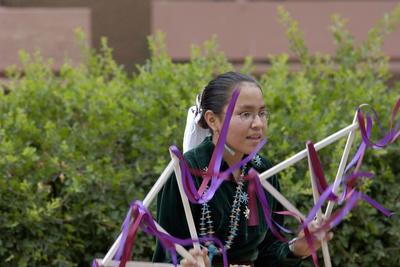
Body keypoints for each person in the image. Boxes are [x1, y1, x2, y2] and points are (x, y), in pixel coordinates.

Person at [152, 72, 332, 267]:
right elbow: (167, 255)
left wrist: (296, 249)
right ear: (213, 120)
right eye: (245, 114)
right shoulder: (185, 172)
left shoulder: (263, 172)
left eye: (262, 113)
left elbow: (268, 253)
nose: (258, 124)